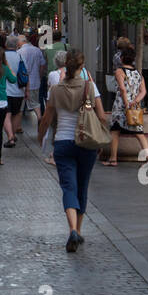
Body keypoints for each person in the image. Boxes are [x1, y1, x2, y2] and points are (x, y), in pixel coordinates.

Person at [38, 49, 108, 253]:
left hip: (63, 143)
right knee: (82, 186)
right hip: (86, 142)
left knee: (68, 187)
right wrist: (104, 137)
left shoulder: (56, 89)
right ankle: (78, 228)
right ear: (81, 66)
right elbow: (102, 116)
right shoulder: (89, 87)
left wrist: (40, 135)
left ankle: (72, 230)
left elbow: (47, 116)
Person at [106, 46, 148, 165]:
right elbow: (143, 91)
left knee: (115, 131)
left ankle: (113, 159)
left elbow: (122, 88)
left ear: (122, 58)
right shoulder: (138, 73)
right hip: (134, 108)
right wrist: (135, 102)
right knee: (139, 132)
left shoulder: (119, 71)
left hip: (121, 106)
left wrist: (126, 104)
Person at [3, 34, 26, 147]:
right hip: (19, 91)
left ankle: (10, 136)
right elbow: (26, 74)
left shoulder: (2, 57)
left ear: (6, 44)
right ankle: (13, 134)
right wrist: (27, 90)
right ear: (17, 45)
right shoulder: (20, 57)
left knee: (6, 114)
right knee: (17, 113)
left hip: (4, 91)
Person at [21, 32, 47, 120]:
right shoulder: (37, 50)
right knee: (35, 103)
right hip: (35, 82)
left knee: (20, 106)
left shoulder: (19, 52)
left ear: (21, 42)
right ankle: (40, 118)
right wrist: (39, 76)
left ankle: (19, 126)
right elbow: (42, 65)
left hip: (22, 83)